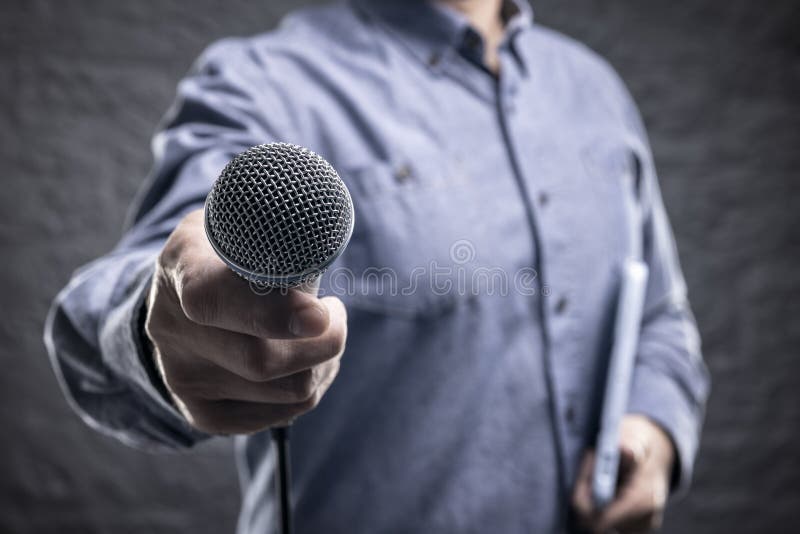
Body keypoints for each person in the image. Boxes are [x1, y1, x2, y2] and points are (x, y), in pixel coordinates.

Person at [44, 1, 710, 532]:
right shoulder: (266, 83)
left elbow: (658, 313)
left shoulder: (593, 90)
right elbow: (113, 306)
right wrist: (154, 324)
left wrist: (652, 430)